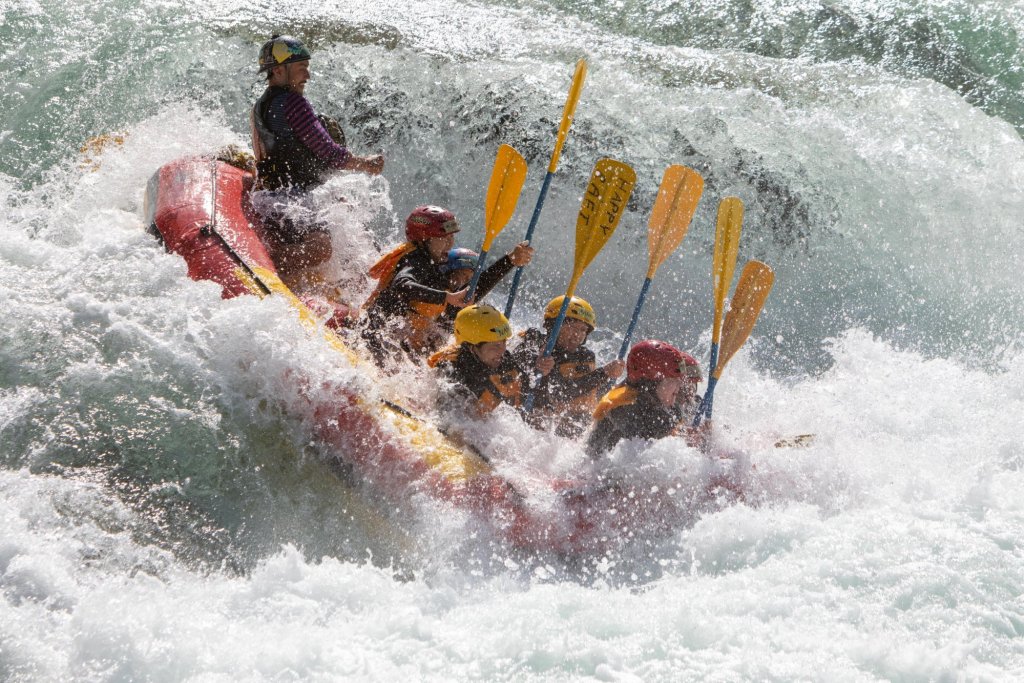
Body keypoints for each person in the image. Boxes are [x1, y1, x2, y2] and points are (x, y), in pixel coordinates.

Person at [249, 34, 384, 294]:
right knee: (320, 248)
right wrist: (365, 164)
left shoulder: (263, 104)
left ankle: (319, 287)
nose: (307, 76)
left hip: (273, 196)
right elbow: (328, 151)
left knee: (340, 216)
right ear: (279, 70)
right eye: (302, 69)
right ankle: (267, 271)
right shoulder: (293, 103)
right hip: (292, 198)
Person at [361, 206, 532, 364]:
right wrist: (447, 297)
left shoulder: (433, 268)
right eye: (444, 238)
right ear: (424, 238)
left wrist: (509, 261)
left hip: (397, 345)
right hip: (372, 339)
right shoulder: (414, 260)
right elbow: (402, 284)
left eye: (452, 237)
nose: (450, 244)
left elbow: (471, 292)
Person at [510, 296, 624, 438]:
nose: (578, 335)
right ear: (553, 324)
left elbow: (590, 391)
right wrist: (536, 363)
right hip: (530, 423)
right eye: (572, 327)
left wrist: (611, 376)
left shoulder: (585, 357)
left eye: (583, 330)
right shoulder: (535, 341)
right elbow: (560, 393)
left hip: (570, 429)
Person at [428, 305, 554, 418]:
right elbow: (451, 420)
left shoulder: (502, 358)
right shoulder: (453, 370)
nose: (503, 350)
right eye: (495, 346)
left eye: (504, 342)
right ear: (473, 348)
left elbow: (532, 398)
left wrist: (542, 373)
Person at [586, 339, 706, 457]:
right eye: (672, 380)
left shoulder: (661, 404)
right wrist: (683, 440)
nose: (680, 387)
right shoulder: (625, 408)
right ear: (650, 383)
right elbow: (646, 449)